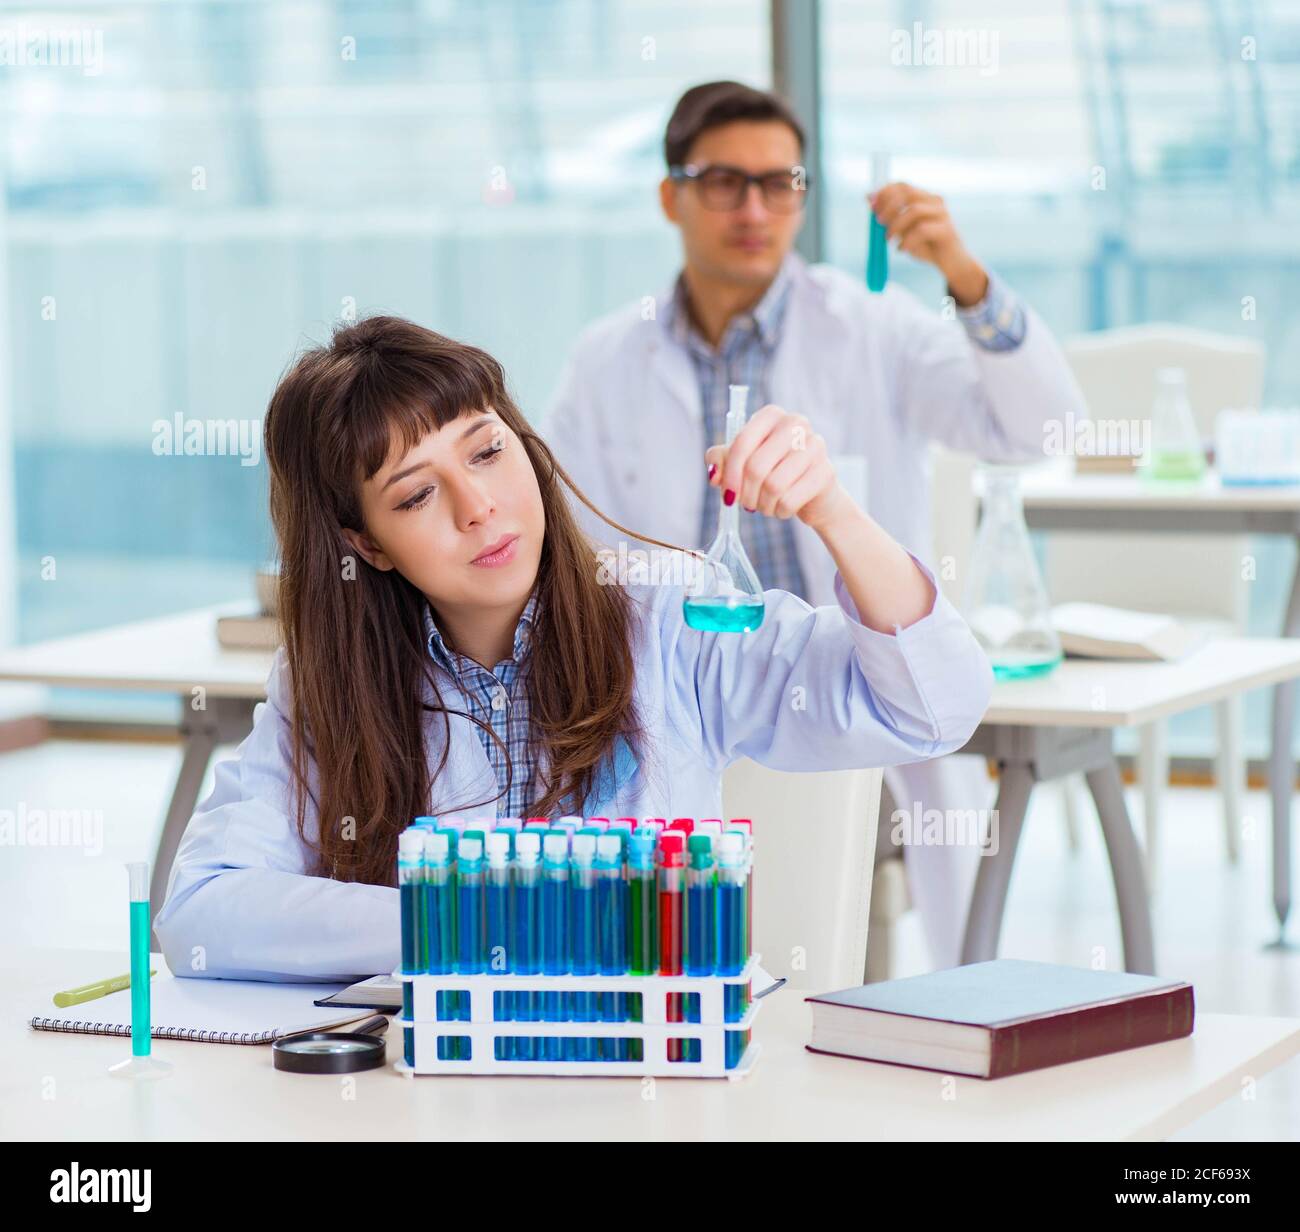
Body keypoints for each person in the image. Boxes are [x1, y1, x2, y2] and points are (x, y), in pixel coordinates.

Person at [152, 315, 991, 981]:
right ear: (365, 544)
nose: (478, 505)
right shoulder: (333, 682)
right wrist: (472, 918)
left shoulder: (669, 620)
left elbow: (935, 707)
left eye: (486, 450)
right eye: (415, 496)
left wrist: (833, 512)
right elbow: (200, 910)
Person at [545, 80, 1087, 971]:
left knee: (922, 942)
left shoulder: (870, 327)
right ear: (670, 195)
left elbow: (1038, 429)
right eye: (724, 182)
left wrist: (964, 275)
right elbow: (569, 540)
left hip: (857, 668)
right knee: (681, 954)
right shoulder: (609, 357)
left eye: (780, 182)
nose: (755, 208)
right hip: (685, 685)